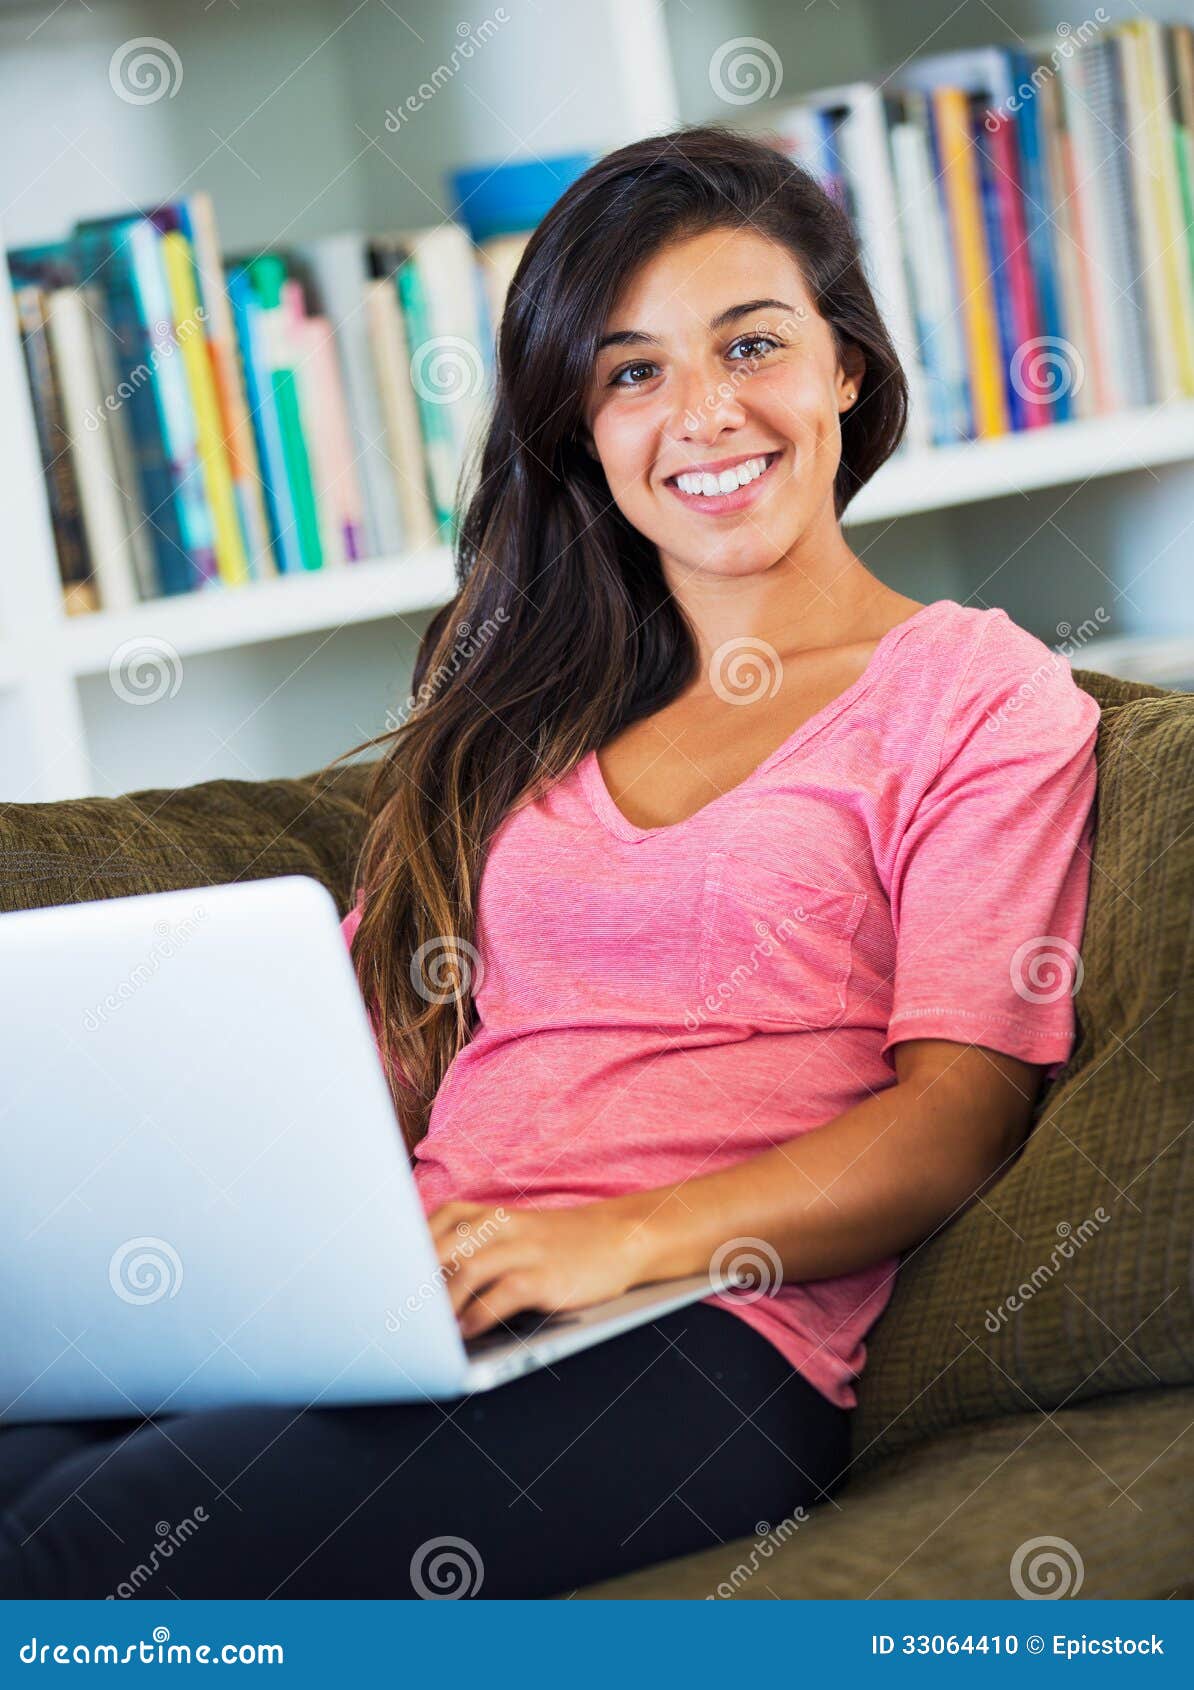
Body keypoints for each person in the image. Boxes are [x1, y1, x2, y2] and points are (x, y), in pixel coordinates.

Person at [1, 125, 1099, 1600]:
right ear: (579, 423)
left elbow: (956, 1117)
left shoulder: (973, 691)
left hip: (699, 1338)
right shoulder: (526, 716)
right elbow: (366, 1060)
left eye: (750, 344)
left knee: (85, 1546)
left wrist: (601, 1242)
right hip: (422, 1294)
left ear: (845, 364)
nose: (702, 413)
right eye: (632, 370)